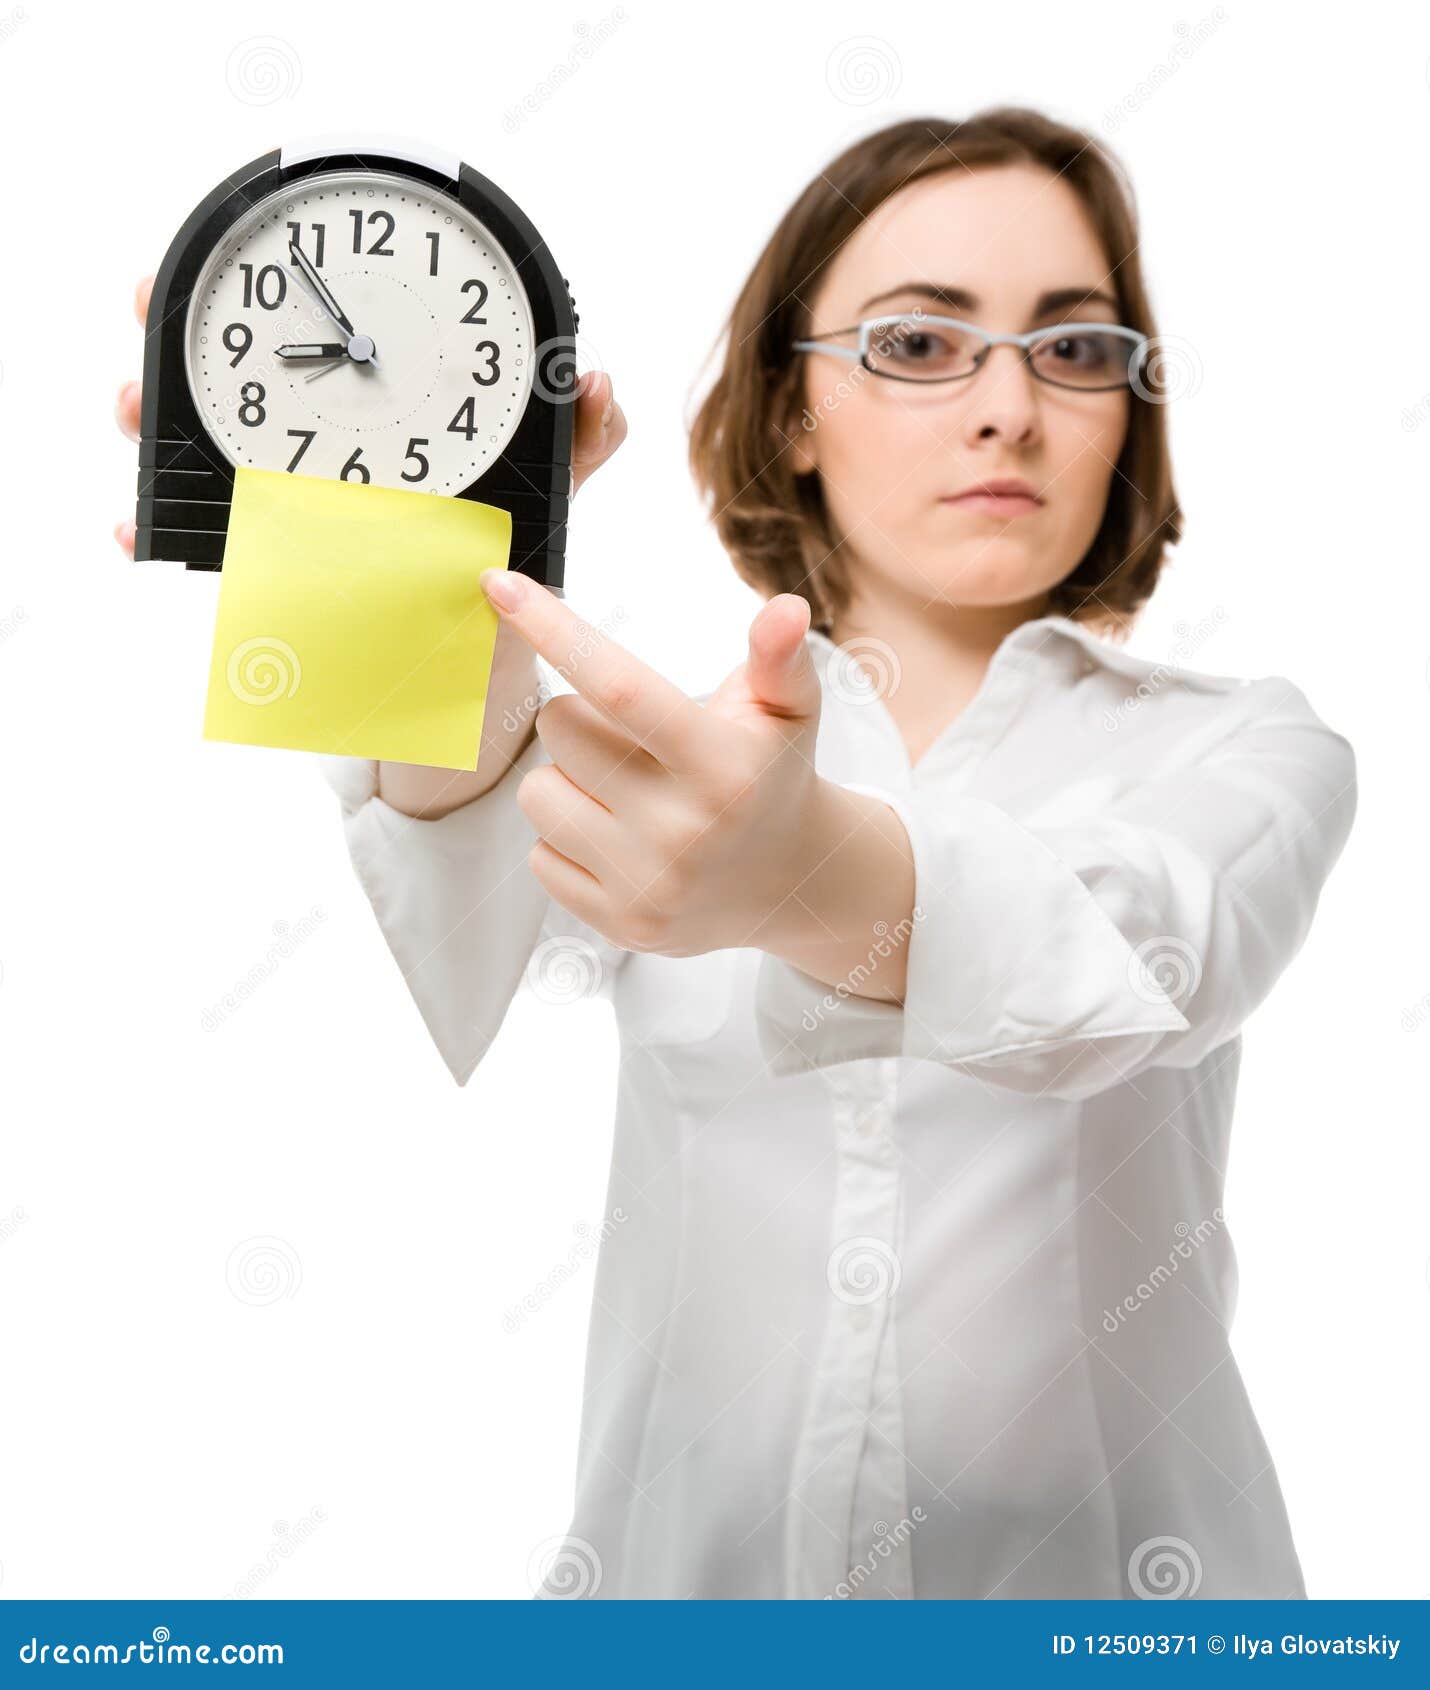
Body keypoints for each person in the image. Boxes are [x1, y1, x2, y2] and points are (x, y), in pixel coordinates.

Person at [115, 106, 1357, 1600]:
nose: (1008, 409)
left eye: (1074, 347)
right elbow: (455, 846)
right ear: (792, 411)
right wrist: (417, 564)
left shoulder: (1246, 746)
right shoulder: (671, 743)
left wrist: (800, 878)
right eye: (918, 342)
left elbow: (1148, 955)